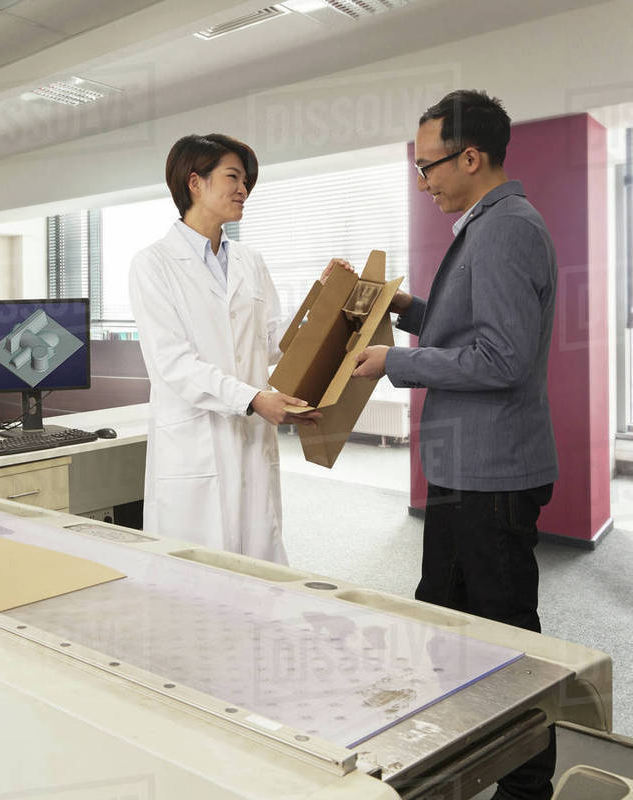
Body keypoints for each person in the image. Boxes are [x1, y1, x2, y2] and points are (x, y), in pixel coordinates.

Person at [352, 90, 557, 800]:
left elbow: (502, 359)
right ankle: (459, 763)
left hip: (490, 473)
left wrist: (395, 361)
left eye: (427, 166)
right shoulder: (488, 225)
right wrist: (405, 310)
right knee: (445, 618)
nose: (423, 182)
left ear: (471, 157)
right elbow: (467, 327)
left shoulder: (505, 229)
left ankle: (526, 786)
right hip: (466, 467)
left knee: (503, 639)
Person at [129, 133, 348, 564]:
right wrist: (252, 399)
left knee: (258, 567)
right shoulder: (152, 264)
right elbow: (172, 364)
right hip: (195, 439)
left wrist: (321, 301)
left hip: (250, 438)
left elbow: (271, 342)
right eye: (233, 177)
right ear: (195, 182)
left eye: (246, 181)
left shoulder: (251, 261)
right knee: (195, 573)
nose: (243, 189)